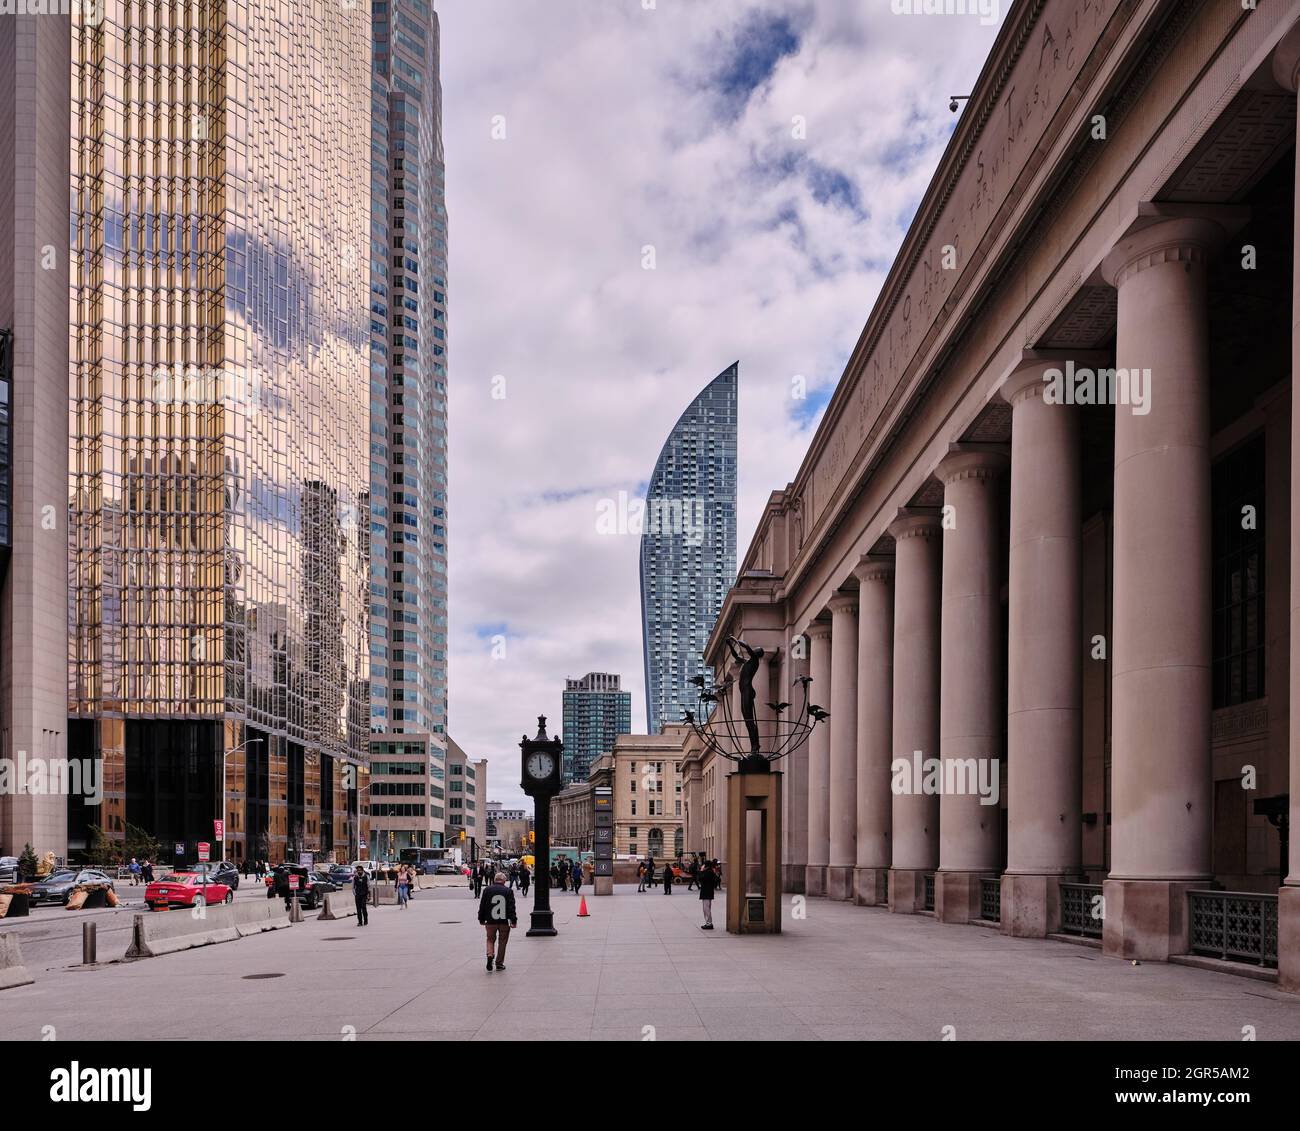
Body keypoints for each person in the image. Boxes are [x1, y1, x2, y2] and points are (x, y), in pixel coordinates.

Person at [478, 870, 517, 972]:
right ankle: (499, 963)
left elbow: (482, 906)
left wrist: (481, 918)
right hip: (504, 921)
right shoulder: (508, 891)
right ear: (504, 881)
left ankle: (490, 955)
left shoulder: (487, 890)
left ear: (495, 880)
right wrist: (513, 920)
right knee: (502, 942)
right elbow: (511, 908)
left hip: (490, 921)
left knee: (490, 939)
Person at [697, 859, 718, 930]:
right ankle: (708, 923)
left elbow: (700, 878)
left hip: (706, 892)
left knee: (706, 908)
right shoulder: (710, 871)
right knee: (706, 908)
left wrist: (701, 870)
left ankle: (709, 923)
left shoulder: (708, 872)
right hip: (707, 892)